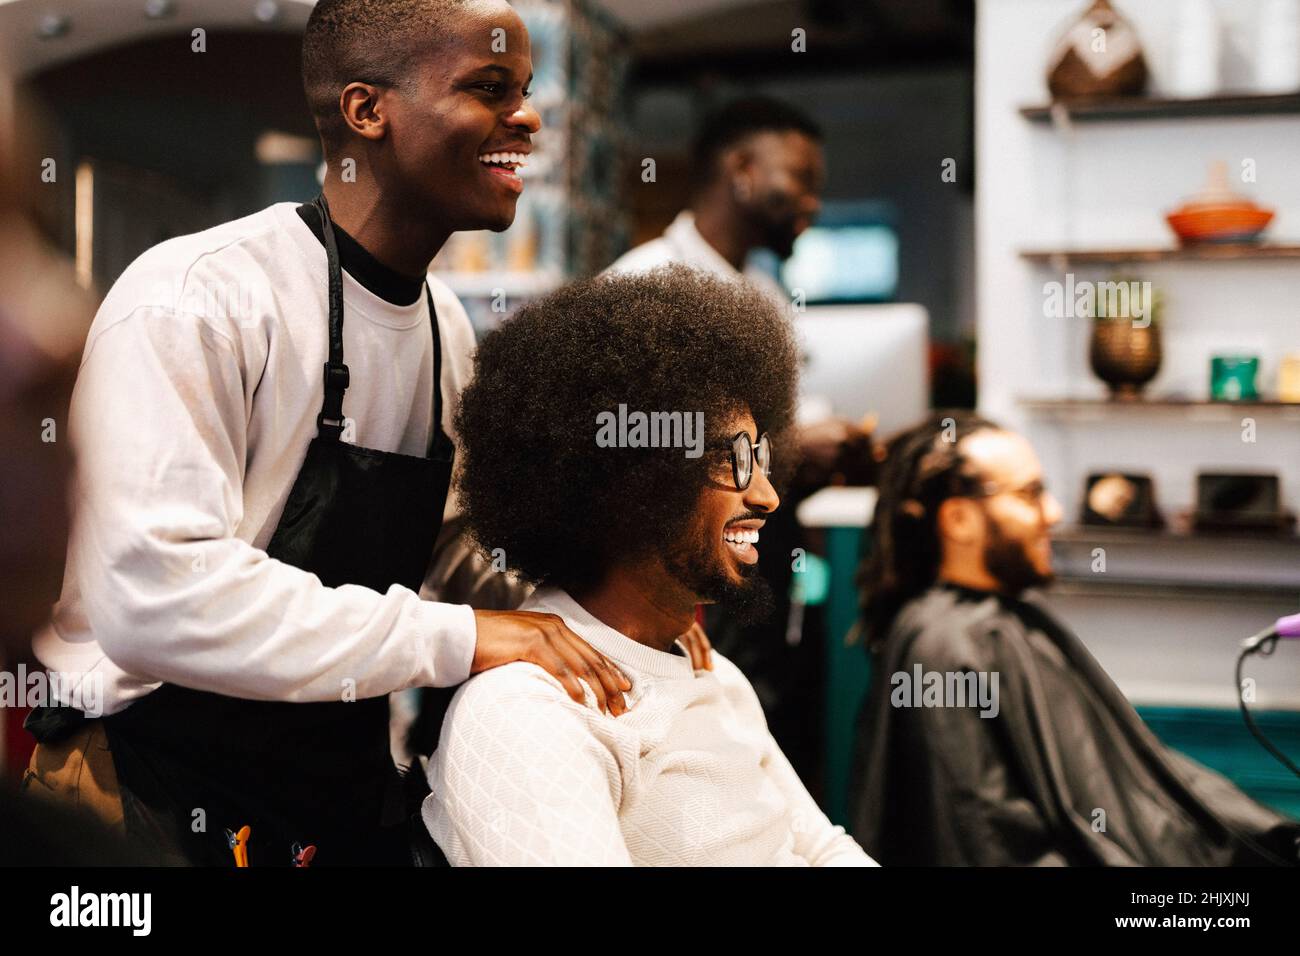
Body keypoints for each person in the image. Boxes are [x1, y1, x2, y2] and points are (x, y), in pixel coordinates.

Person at [22, 0, 634, 867]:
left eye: (526, 91)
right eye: (490, 88)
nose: (528, 118)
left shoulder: (443, 326)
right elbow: (154, 597)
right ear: (366, 111)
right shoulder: (200, 296)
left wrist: (600, 611)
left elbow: (449, 551)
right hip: (146, 790)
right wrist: (457, 637)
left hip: (325, 793)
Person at [422, 265, 876, 866]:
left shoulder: (713, 674)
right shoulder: (526, 714)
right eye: (731, 459)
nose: (767, 494)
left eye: (760, 455)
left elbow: (822, 852)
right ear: (628, 487)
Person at [850, 412, 1300, 866]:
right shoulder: (943, 646)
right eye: (1029, 494)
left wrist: (1277, 835)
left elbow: (1146, 780)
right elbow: (985, 838)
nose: (1054, 513)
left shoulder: (1003, 622)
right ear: (960, 520)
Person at [606, 96, 874, 785]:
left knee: (773, 753)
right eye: (800, 179)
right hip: (681, 580)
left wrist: (823, 452)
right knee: (702, 762)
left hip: (763, 568)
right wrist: (787, 451)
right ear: (743, 170)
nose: (812, 201)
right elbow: (627, 450)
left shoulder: (763, 289)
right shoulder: (647, 286)